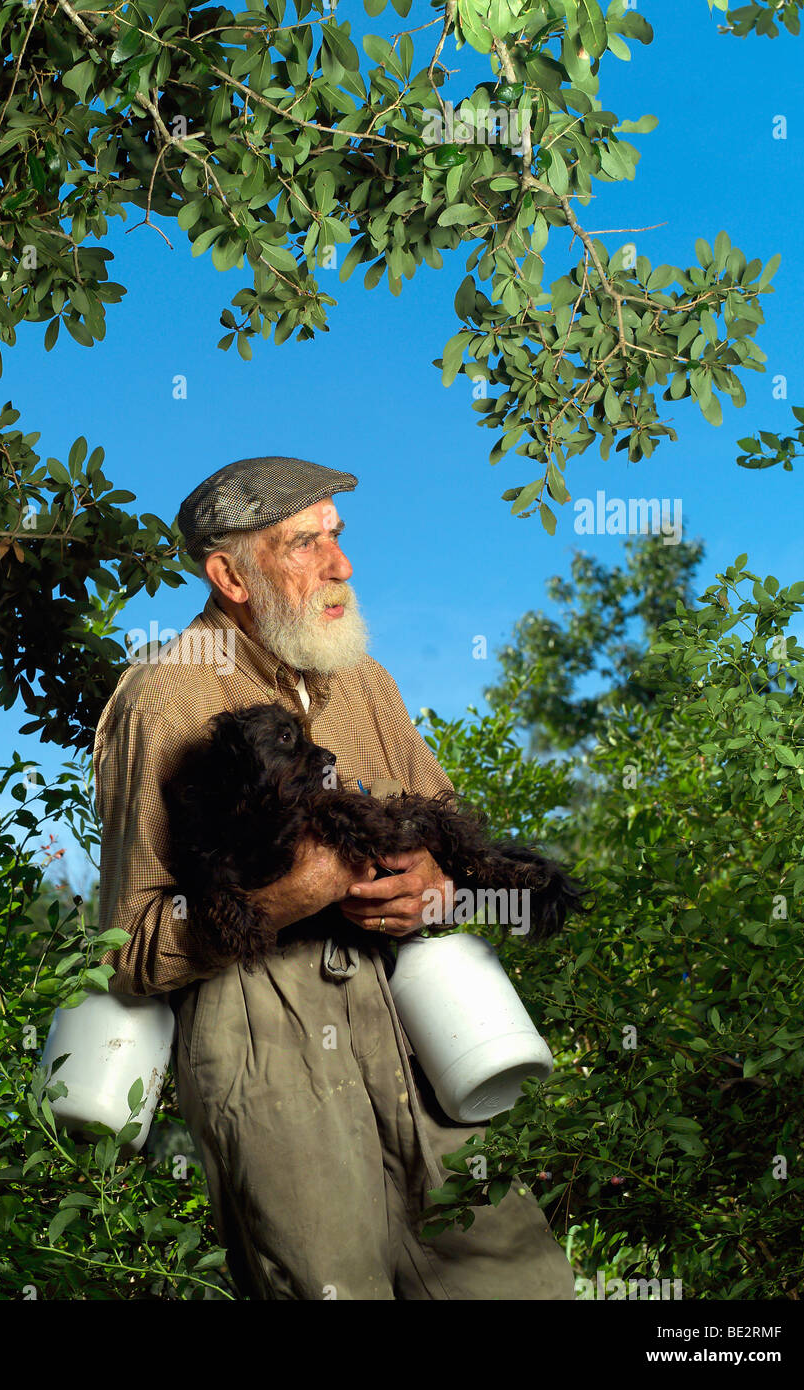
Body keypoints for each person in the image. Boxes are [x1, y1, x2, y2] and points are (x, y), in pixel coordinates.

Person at [93, 456, 575, 1300]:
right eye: (305, 543)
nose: (340, 564)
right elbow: (126, 950)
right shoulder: (161, 699)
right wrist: (288, 896)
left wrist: (438, 884)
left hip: (418, 1012)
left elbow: (447, 829)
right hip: (259, 1025)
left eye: (337, 538)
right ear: (229, 574)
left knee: (516, 1276)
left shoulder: (363, 681)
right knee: (328, 1282)